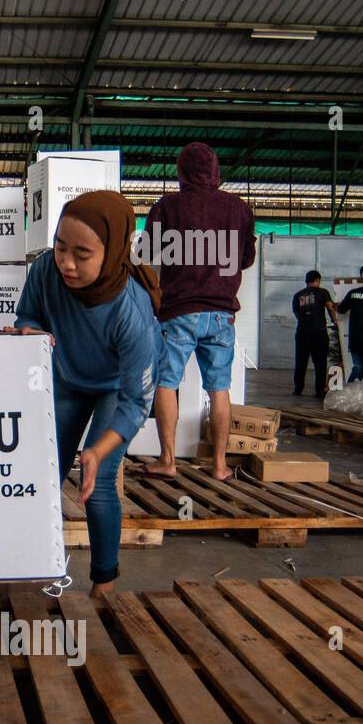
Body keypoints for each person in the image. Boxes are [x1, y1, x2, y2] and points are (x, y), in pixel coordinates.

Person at [4, 190, 160, 599]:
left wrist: (100, 448)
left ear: (111, 253)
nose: (67, 263)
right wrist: (28, 329)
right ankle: (34, 566)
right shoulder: (44, 272)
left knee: (99, 482)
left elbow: (136, 401)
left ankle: (104, 582)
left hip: (114, 391)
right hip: (68, 378)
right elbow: (28, 313)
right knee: (43, 477)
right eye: (60, 247)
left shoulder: (133, 312)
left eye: (82, 254)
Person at [136, 142, 255, 483]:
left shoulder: (168, 206)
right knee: (218, 389)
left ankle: (168, 460)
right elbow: (246, 258)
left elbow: (145, 251)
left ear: (181, 172)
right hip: (221, 314)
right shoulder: (239, 208)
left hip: (179, 312)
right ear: (215, 170)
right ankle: (219, 466)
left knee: (166, 383)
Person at [292, 269, 336, 397]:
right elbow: (330, 307)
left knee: (301, 361)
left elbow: (296, 313)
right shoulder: (323, 292)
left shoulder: (297, 295)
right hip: (319, 332)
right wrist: (335, 321)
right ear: (318, 280)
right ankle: (319, 390)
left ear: (306, 281)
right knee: (320, 362)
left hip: (302, 332)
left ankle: (298, 389)